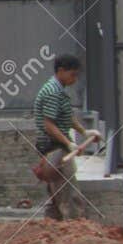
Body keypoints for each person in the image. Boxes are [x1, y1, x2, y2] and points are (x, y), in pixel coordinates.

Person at [33, 54, 97, 221]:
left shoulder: (58, 90)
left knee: (56, 193)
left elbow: (66, 116)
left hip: (56, 147)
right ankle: (75, 228)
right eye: (72, 74)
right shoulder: (53, 92)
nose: (75, 79)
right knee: (68, 192)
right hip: (54, 148)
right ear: (61, 71)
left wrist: (84, 132)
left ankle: (53, 228)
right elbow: (49, 124)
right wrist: (69, 143)